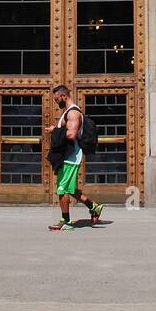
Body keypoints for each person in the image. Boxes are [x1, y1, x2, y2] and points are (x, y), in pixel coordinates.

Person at [47, 85, 103, 231]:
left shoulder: (73, 114)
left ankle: (66, 221)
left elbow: (71, 135)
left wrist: (55, 131)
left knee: (62, 189)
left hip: (71, 157)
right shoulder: (68, 112)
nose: (56, 101)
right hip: (67, 156)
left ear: (64, 96)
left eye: (57, 98)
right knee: (70, 189)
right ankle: (94, 207)